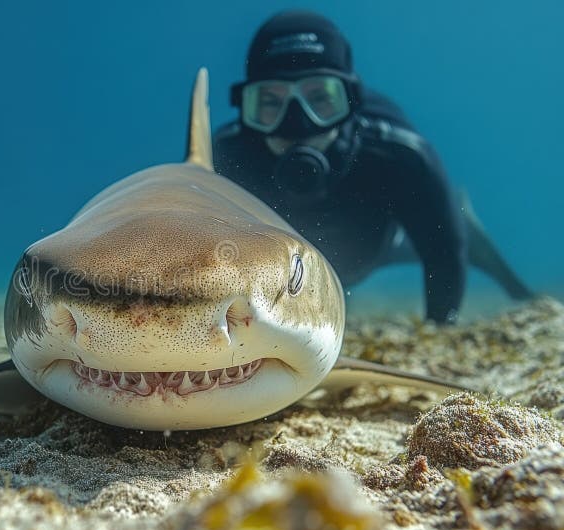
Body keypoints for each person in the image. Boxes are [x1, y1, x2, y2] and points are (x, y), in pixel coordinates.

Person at [213, 10, 533, 323]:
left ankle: (470, 235)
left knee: (448, 236)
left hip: (384, 244)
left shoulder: (400, 154)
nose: (298, 123)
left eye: (320, 99)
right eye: (270, 102)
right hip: (297, 265)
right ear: (244, 106)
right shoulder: (220, 160)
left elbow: (443, 253)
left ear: (351, 98)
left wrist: (440, 323)